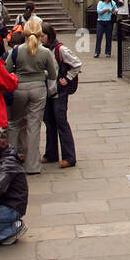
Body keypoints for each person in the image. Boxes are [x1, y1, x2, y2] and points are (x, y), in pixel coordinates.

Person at [3, 17, 58, 175]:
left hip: (19, 88)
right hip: (38, 89)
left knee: (14, 124)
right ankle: (32, 165)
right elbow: (53, 74)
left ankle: (10, 164)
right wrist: (42, 72)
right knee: (34, 126)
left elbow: (6, 71)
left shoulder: (16, 50)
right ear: (40, 34)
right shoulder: (45, 52)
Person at [41, 23, 81, 168]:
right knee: (49, 122)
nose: (41, 39)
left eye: (43, 36)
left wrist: (68, 78)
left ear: (49, 35)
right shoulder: (44, 49)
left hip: (59, 92)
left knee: (61, 122)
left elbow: (77, 63)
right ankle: (51, 153)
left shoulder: (60, 49)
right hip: (48, 91)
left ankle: (69, 157)